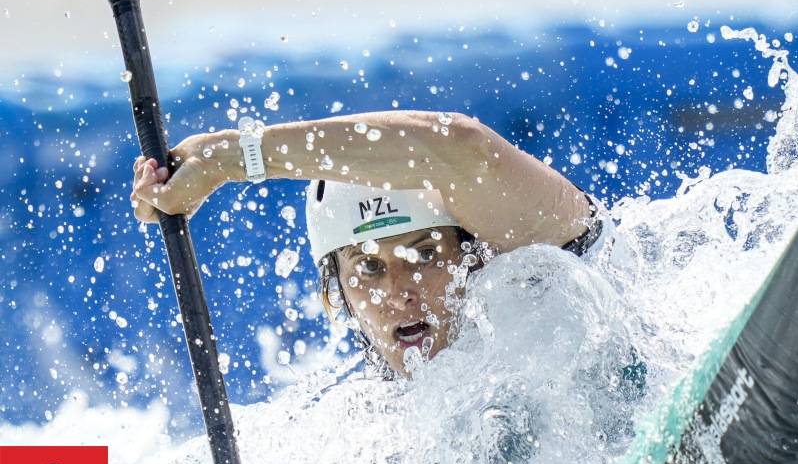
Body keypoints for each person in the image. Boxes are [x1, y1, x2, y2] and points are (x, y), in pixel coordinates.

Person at [131, 111, 605, 376]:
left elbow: (463, 149)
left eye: (424, 254)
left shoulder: (556, 275)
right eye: (369, 268)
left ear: (474, 252)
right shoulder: (369, 446)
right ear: (336, 293)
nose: (400, 292)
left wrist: (233, 158)